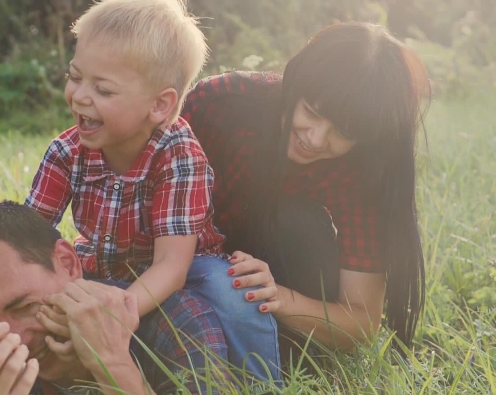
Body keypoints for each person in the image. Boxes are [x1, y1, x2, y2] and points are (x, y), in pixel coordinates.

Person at [24, 0, 281, 394]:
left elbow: (171, 268)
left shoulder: (178, 153)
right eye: (75, 77)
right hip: (104, 262)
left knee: (231, 294)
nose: (80, 96)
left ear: (160, 105)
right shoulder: (67, 150)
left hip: (186, 265)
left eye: (103, 90)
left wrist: (119, 310)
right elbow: (28, 236)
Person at [180, 22, 430, 355]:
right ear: (295, 82)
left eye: (342, 132)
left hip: (278, 301)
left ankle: (283, 359)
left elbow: (362, 322)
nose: (315, 139)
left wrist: (280, 298)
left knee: (299, 221)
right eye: (311, 112)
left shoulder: (361, 173)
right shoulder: (221, 103)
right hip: (178, 265)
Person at [0, 201, 230, 395]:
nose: (17, 341)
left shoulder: (178, 322)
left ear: (68, 264)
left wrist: (113, 361)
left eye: (24, 306)